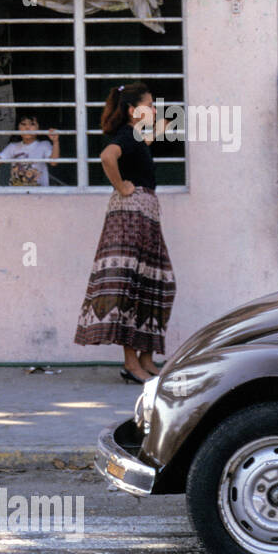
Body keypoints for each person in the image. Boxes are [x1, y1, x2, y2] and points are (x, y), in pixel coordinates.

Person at [73, 83, 177, 384]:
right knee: (133, 285)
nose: (154, 109)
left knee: (156, 283)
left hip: (144, 216)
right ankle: (132, 363)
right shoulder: (127, 135)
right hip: (131, 216)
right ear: (133, 110)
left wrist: (166, 121)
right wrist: (121, 186)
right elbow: (108, 156)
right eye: (149, 105)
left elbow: (149, 137)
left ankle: (146, 359)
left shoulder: (137, 136)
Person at [0, 116, 60, 186]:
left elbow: (54, 162)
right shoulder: (13, 147)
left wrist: (55, 141)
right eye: (23, 124)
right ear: (18, 127)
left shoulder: (44, 145)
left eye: (32, 124)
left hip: (39, 193)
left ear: (38, 127)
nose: (27, 128)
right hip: (17, 192)